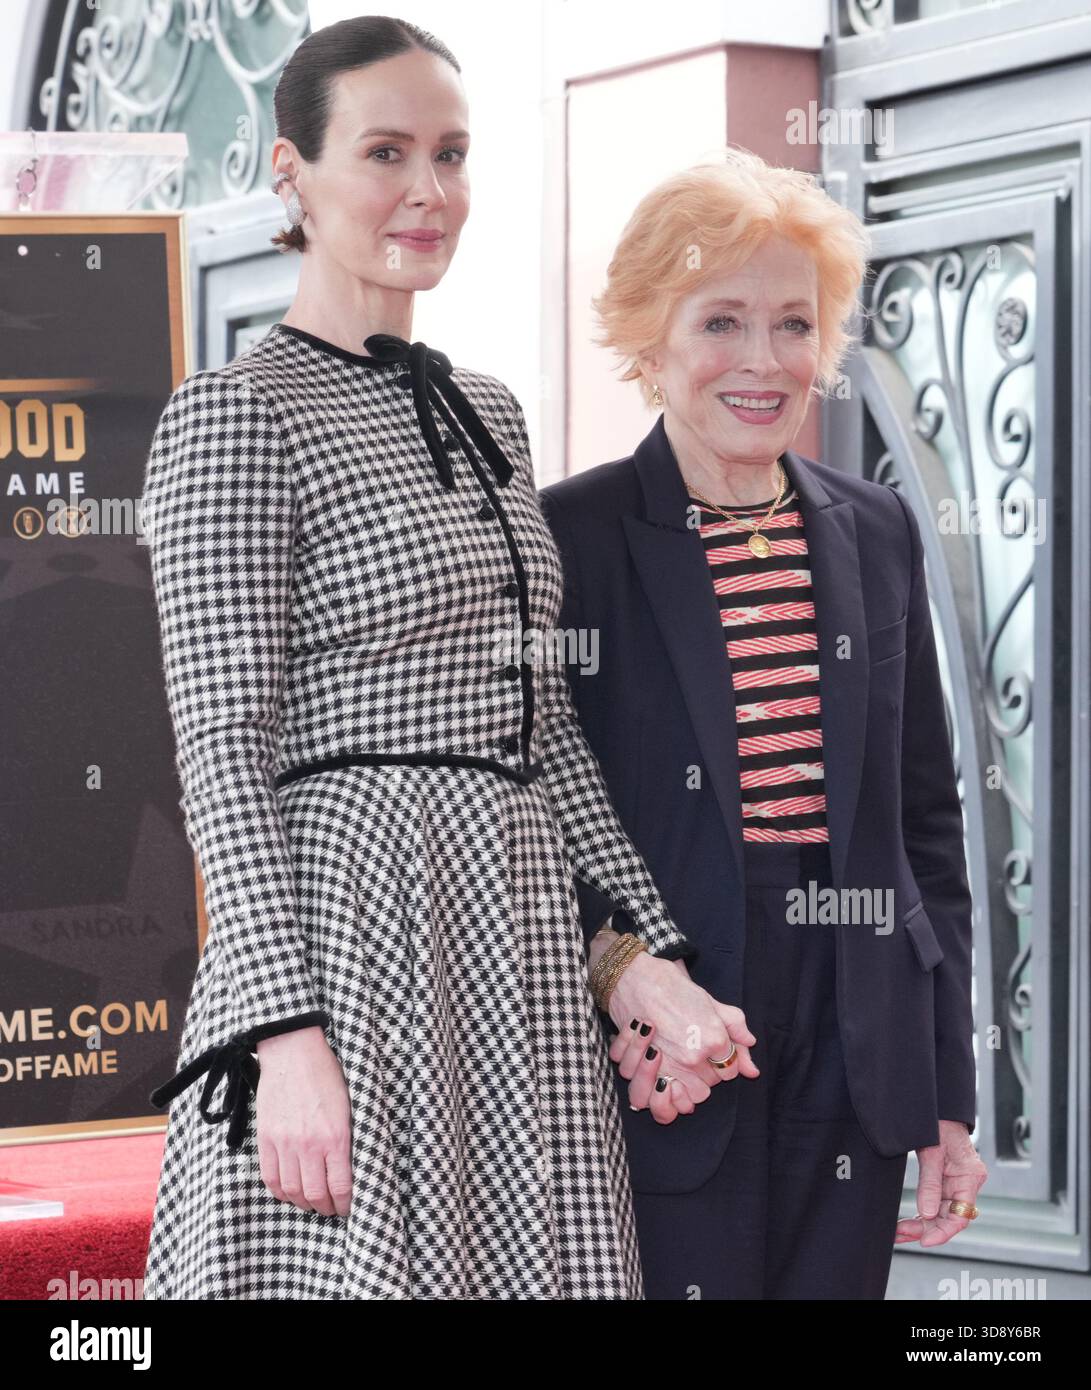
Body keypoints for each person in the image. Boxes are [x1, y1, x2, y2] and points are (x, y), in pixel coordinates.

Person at [139, 16, 741, 1302]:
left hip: (512, 939)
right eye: (387, 152)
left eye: (452, 154)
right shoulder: (233, 417)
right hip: (347, 936)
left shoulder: (491, 414)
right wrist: (281, 1034)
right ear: (292, 173)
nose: (430, 190)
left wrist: (646, 952)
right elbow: (221, 754)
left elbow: (542, 729)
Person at [538, 150, 988, 1300]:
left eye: (793, 323)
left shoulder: (876, 528)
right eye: (719, 322)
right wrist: (621, 975)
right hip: (670, 1035)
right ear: (648, 340)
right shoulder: (565, 537)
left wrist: (944, 1089)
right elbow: (530, 812)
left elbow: (923, 830)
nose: (762, 359)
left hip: (858, 1038)